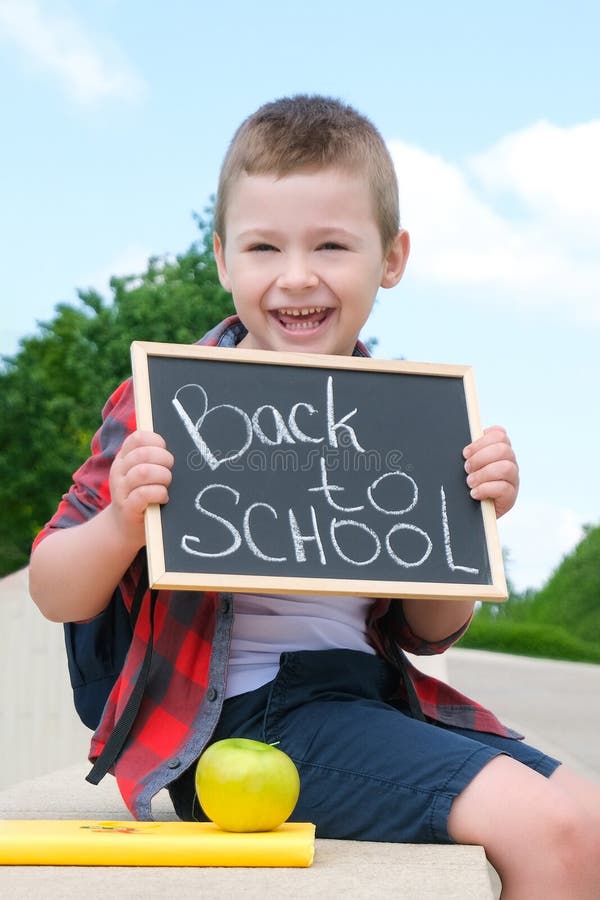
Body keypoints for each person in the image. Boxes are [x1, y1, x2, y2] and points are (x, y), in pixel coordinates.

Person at [29, 95, 599, 899]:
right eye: (264, 247)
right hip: (240, 726)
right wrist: (124, 522)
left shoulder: (409, 417)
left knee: (591, 818)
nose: (297, 276)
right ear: (224, 259)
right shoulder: (170, 398)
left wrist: (472, 525)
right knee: (554, 831)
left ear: (391, 258)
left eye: (332, 245)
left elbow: (429, 632)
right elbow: (55, 586)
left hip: (372, 697)